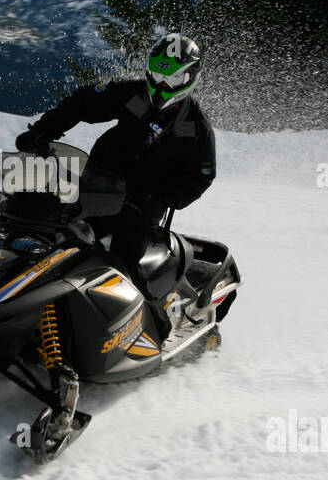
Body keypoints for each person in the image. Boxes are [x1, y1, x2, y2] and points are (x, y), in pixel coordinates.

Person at [15, 34, 216, 327]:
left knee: (121, 257)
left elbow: (203, 174)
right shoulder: (134, 95)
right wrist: (43, 131)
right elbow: (84, 102)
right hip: (99, 183)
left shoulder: (196, 126)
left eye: (171, 79)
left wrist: (164, 197)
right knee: (49, 229)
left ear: (189, 78)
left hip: (142, 201)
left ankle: (153, 322)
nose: (162, 85)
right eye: (157, 75)